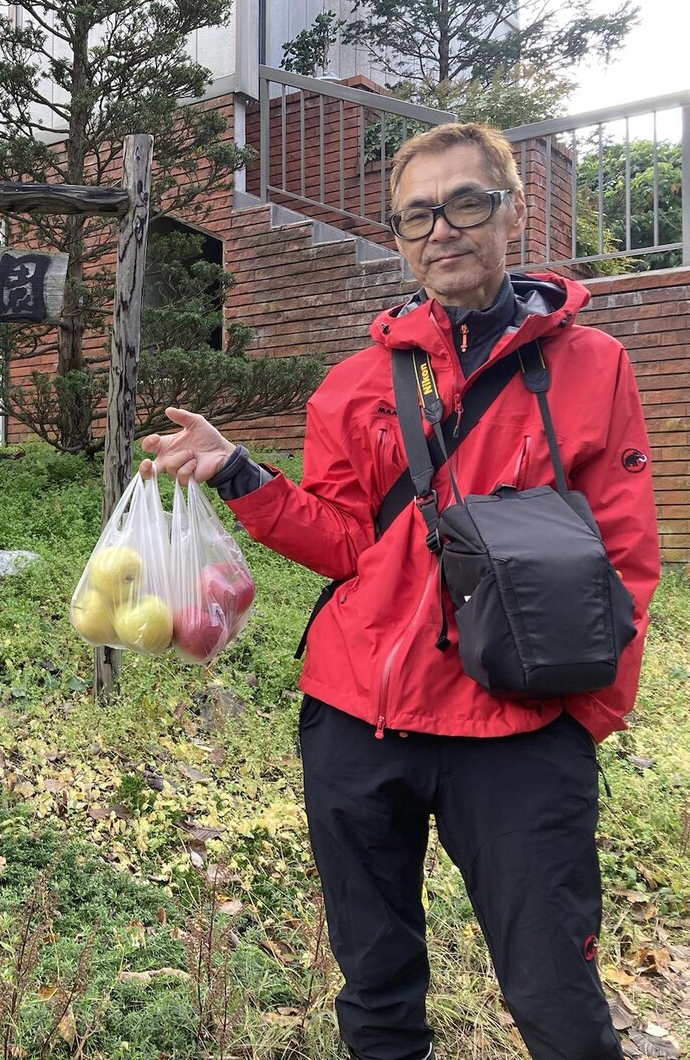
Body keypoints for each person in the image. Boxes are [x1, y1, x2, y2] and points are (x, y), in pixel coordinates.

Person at [140, 122, 661, 1060]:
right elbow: (344, 541)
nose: (441, 230)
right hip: (356, 722)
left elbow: (624, 557)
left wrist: (586, 716)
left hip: (519, 731)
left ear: (514, 211)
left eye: (466, 202)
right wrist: (236, 472)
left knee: (556, 995)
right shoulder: (356, 384)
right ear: (398, 236)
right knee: (376, 992)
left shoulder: (593, 369)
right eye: (417, 214)